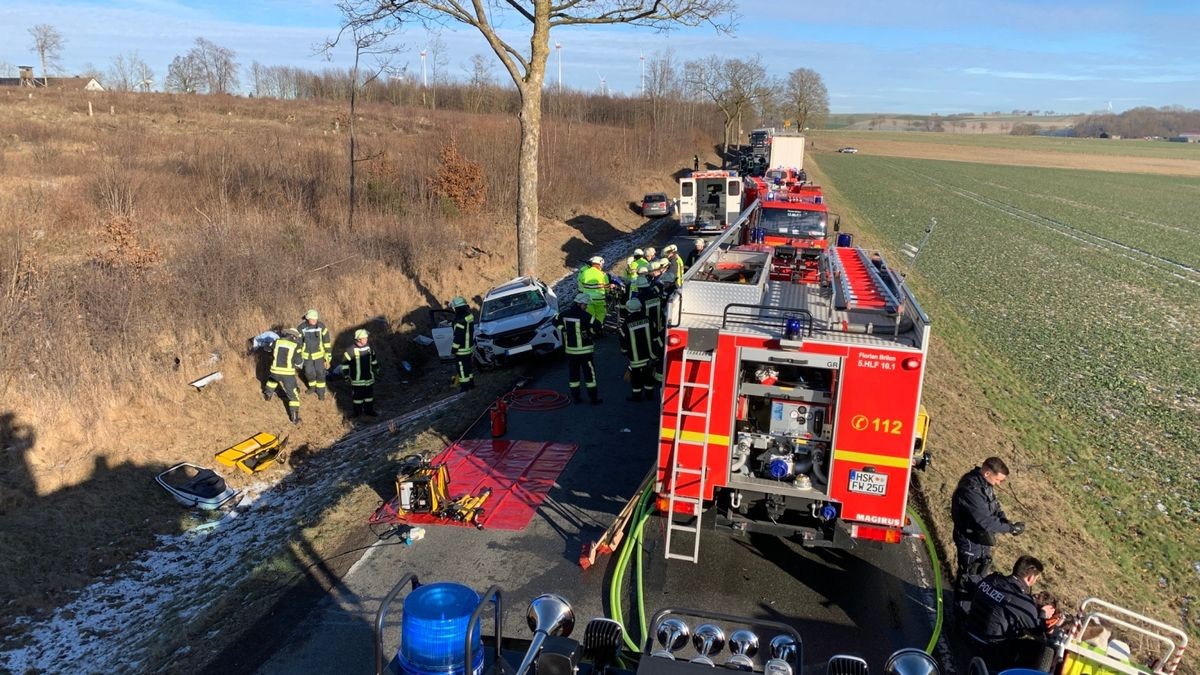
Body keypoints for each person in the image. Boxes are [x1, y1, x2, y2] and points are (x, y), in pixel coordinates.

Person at [965, 555, 1057, 670]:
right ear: (1030, 577)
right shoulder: (1022, 601)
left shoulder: (991, 579)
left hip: (968, 633)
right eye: (1036, 579)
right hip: (989, 648)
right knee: (1042, 648)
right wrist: (1043, 614)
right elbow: (1039, 634)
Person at [952, 457, 1025, 584]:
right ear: (987, 473)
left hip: (982, 538)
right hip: (970, 539)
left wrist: (1005, 520)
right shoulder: (971, 489)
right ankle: (962, 596)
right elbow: (986, 521)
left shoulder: (985, 485)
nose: (998, 484)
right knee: (969, 576)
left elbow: (995, 506)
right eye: (997, 480)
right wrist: (1010, 528)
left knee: (981, 571)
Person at [556, 292, 603, 405]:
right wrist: (590, 333)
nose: (586, 307)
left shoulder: (564, 314)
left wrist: (563, 329)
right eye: (585, 305)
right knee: (589, 376)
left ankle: (576, 398)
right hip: (585, 351)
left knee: (574, 375)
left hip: (571, 352)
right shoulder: (585, 316)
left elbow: (555, 321)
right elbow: (597, 326)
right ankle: (593, 399)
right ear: (580, 304)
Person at [264, 328, 304, 425]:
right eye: (296, 337)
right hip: (287, 374)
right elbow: (299, 362)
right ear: (293, 336)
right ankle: (294, 419)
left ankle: (268, 395)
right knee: (293, 396)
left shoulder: (277, 341)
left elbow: (267, 348)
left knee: (272, 380)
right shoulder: (296, 345)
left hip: (274, 370)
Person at [619, 298, 655, 402]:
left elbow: (623, 340)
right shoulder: (648, 319)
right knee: (648, 375)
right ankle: (649, 395)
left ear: (629, 309)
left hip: (635, 357)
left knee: (636, 377)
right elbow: (655, 335)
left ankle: (636, 397)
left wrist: (624, 352)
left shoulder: (626, 323)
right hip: (649, 355)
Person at [296, 309, 333, 401]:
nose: (314, 321)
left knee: (320, 373)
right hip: (306, 356)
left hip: (319, 355)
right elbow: (298, 343)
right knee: (309, 372)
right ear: (307, 319)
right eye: (312, 319)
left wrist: (328, 354)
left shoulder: (321, 327)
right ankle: (312, 387)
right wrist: (298, 356)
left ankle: (321, 393)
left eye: (316, 319)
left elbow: (326, 341)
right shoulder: (301, 328)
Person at [343, 328, 380, 417]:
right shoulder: (350, 350)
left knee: (369, 397)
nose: (366, 339)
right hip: (357, 380)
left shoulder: (369, 349)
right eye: (364, 338)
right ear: (359, 339)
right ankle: (357, 412)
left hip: (369, 379)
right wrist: (346, 376)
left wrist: (376, 369)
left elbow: (374, 361)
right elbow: (345, 365)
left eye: (366, 338)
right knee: (357, 398)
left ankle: (369, 411)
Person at [450, 296, 476, 392]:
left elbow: (458, 337)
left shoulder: (459, 320)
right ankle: (471, 385)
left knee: (461, 368)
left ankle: (465, 387)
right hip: (469, 347)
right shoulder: (469, 316)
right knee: (468, 367)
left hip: (461, 350)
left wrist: (454, 350)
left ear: (456, 308)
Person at [578, 256, 611, 323]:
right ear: (600, 264)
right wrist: (607, 291)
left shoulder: (584, 272)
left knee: (590, 317)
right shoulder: (603, 274)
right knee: (600, 316)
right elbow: (607, 288)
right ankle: (599, 327)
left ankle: (590, 328)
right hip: (600, 300)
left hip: (588, 300)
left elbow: (581, 285)